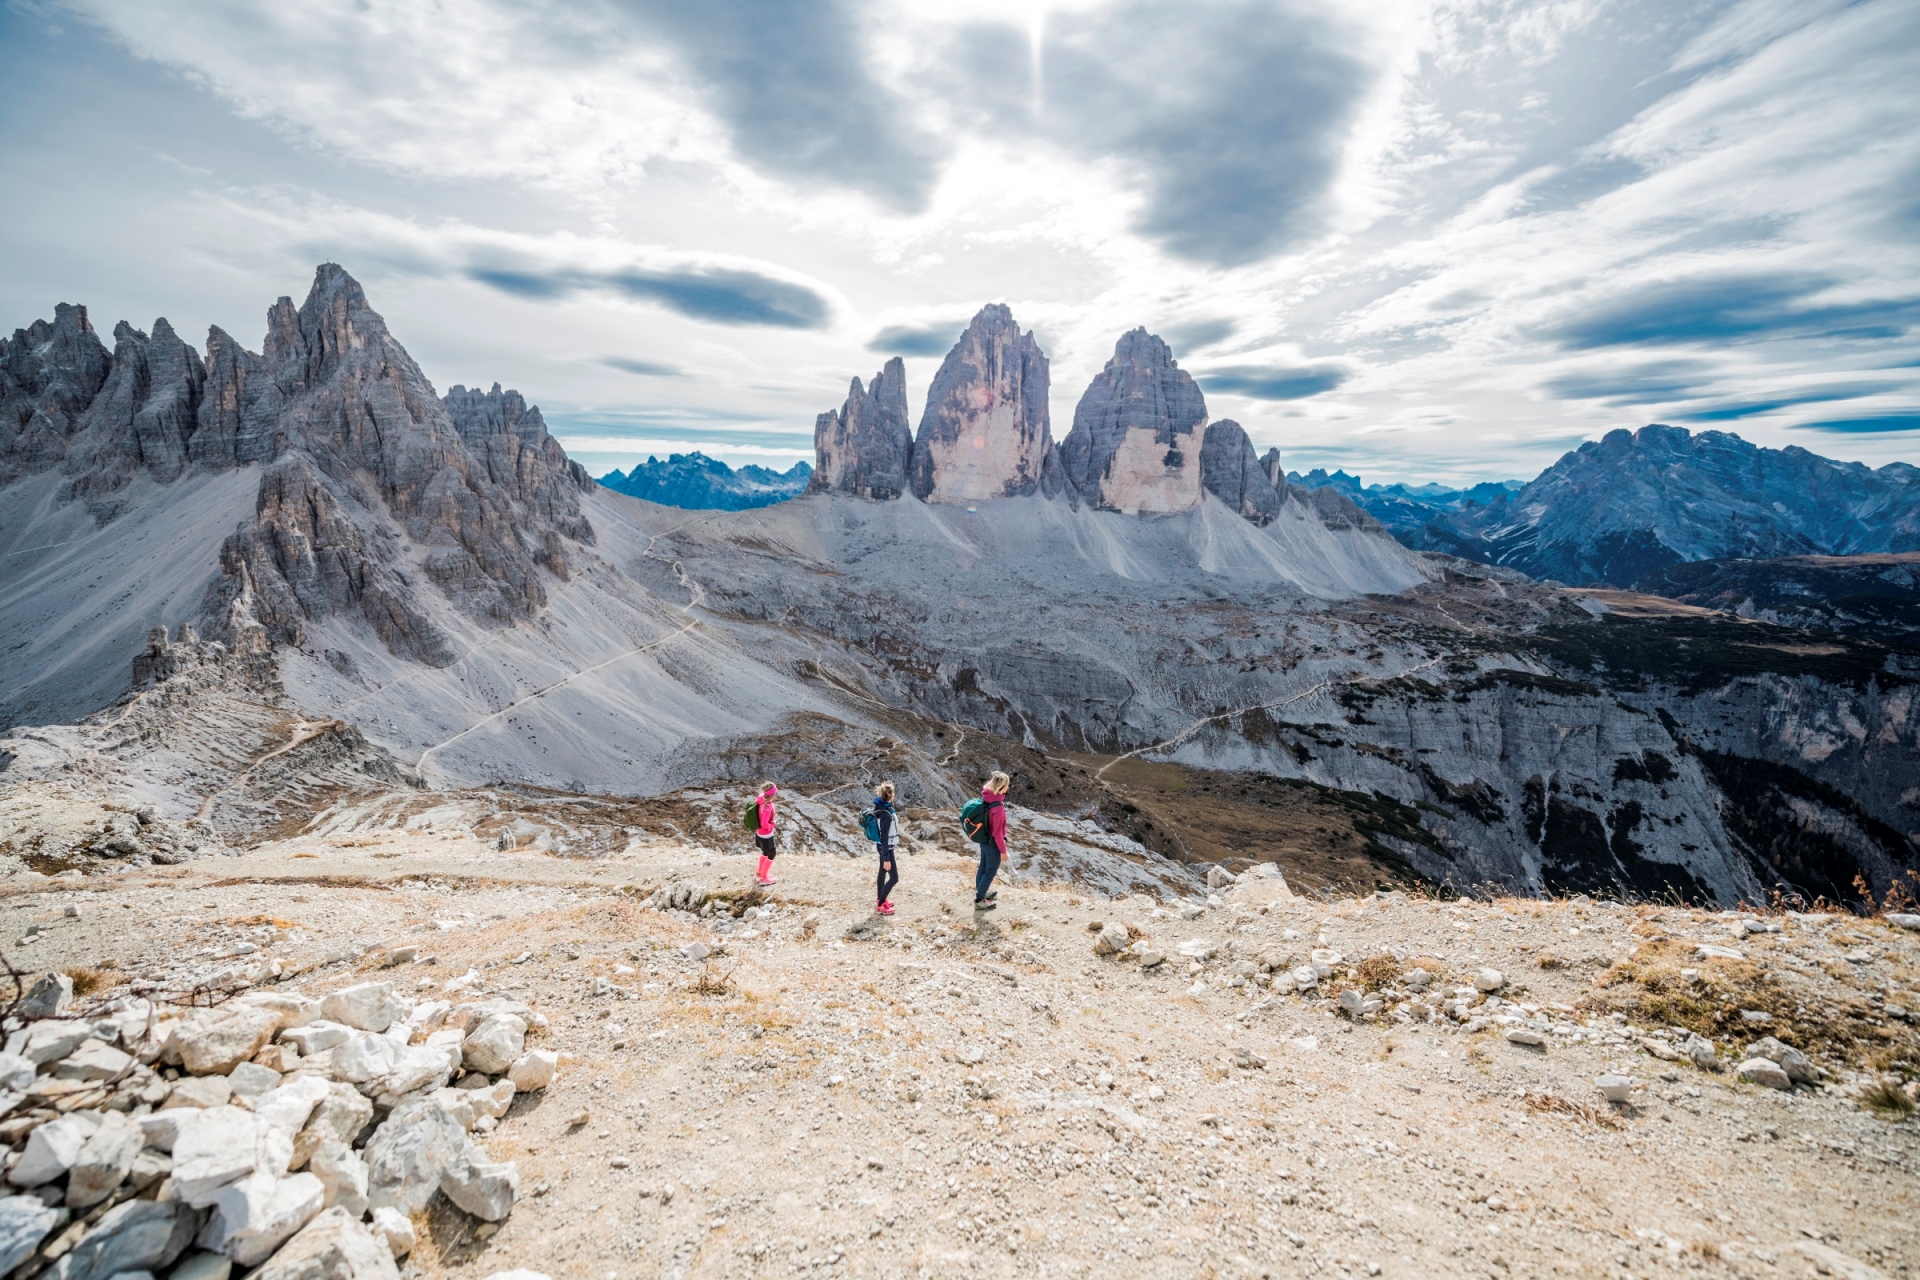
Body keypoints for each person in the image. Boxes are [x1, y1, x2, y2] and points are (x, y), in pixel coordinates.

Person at [973, 771, 1010, 911]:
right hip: (992, 843)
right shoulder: (998, 807)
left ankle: (981, 891)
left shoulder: (987, 797)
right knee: (990, 871)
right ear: (1003, 786)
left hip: (984, 839)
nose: (1008, 788)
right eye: (1007, 785)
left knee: (983, 867)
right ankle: (979, 900)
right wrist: (1003, 851)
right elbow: (998, 833)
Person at [871, 780, 900, 915]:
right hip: (886, 848)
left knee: (882, 873)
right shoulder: (885, 815)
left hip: (883, 847)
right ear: (891, 795)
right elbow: (884, 838)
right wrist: (886, 858)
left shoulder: (883, 807)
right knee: (894, 878)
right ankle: (881, 905)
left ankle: (880, 898)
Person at [752, 781, 779, 886]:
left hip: (759, 832)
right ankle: (764, 878)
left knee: (765, 852)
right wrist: (772, 824)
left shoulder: (760, 799)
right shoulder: (768, 805)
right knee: (772, 853)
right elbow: (764, 823)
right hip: (766, 834)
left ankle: (759, 872)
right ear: (773, 793)